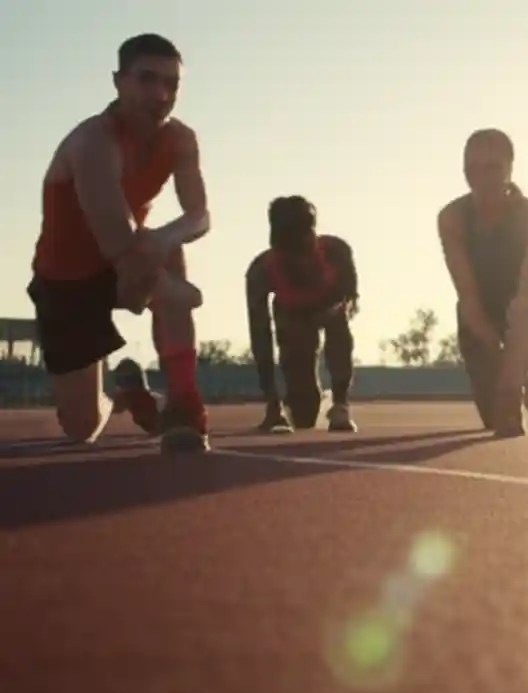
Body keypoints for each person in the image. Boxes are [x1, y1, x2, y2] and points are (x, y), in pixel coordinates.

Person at [25, 33, 212, 453]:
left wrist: (165, 238)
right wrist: (182, 294)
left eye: (172, 84)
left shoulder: (180, 139)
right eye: (147, 79)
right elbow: (121, 249)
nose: (161, 94)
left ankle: (185, 405)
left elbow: (199, 215)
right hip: (67, 280)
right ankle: (127, 396)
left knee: (167, 248)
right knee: (82, 428)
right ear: (118, 81)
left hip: (130, 258)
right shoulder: (92, 143)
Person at [437, 128, 528, 437]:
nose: (482, 178)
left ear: (510, 168)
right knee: (492, 417)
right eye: (472, 170)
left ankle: (512, 387)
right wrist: (509, 372)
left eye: (492, 168)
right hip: (478, 307)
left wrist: (508, 392)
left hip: (522, 300)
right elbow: (468, 297)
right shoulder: (451, 217)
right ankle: (524, 384)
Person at [245, 196, 359, 433]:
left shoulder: (337, 251)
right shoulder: (262, 270)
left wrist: (335, 310)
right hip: (291, 316)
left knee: (339, 325)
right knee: (304, 413)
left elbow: (350, 300)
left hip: (330, 309)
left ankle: (340, 403)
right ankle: (298, 401)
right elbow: (260, 335)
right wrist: (271, 402)